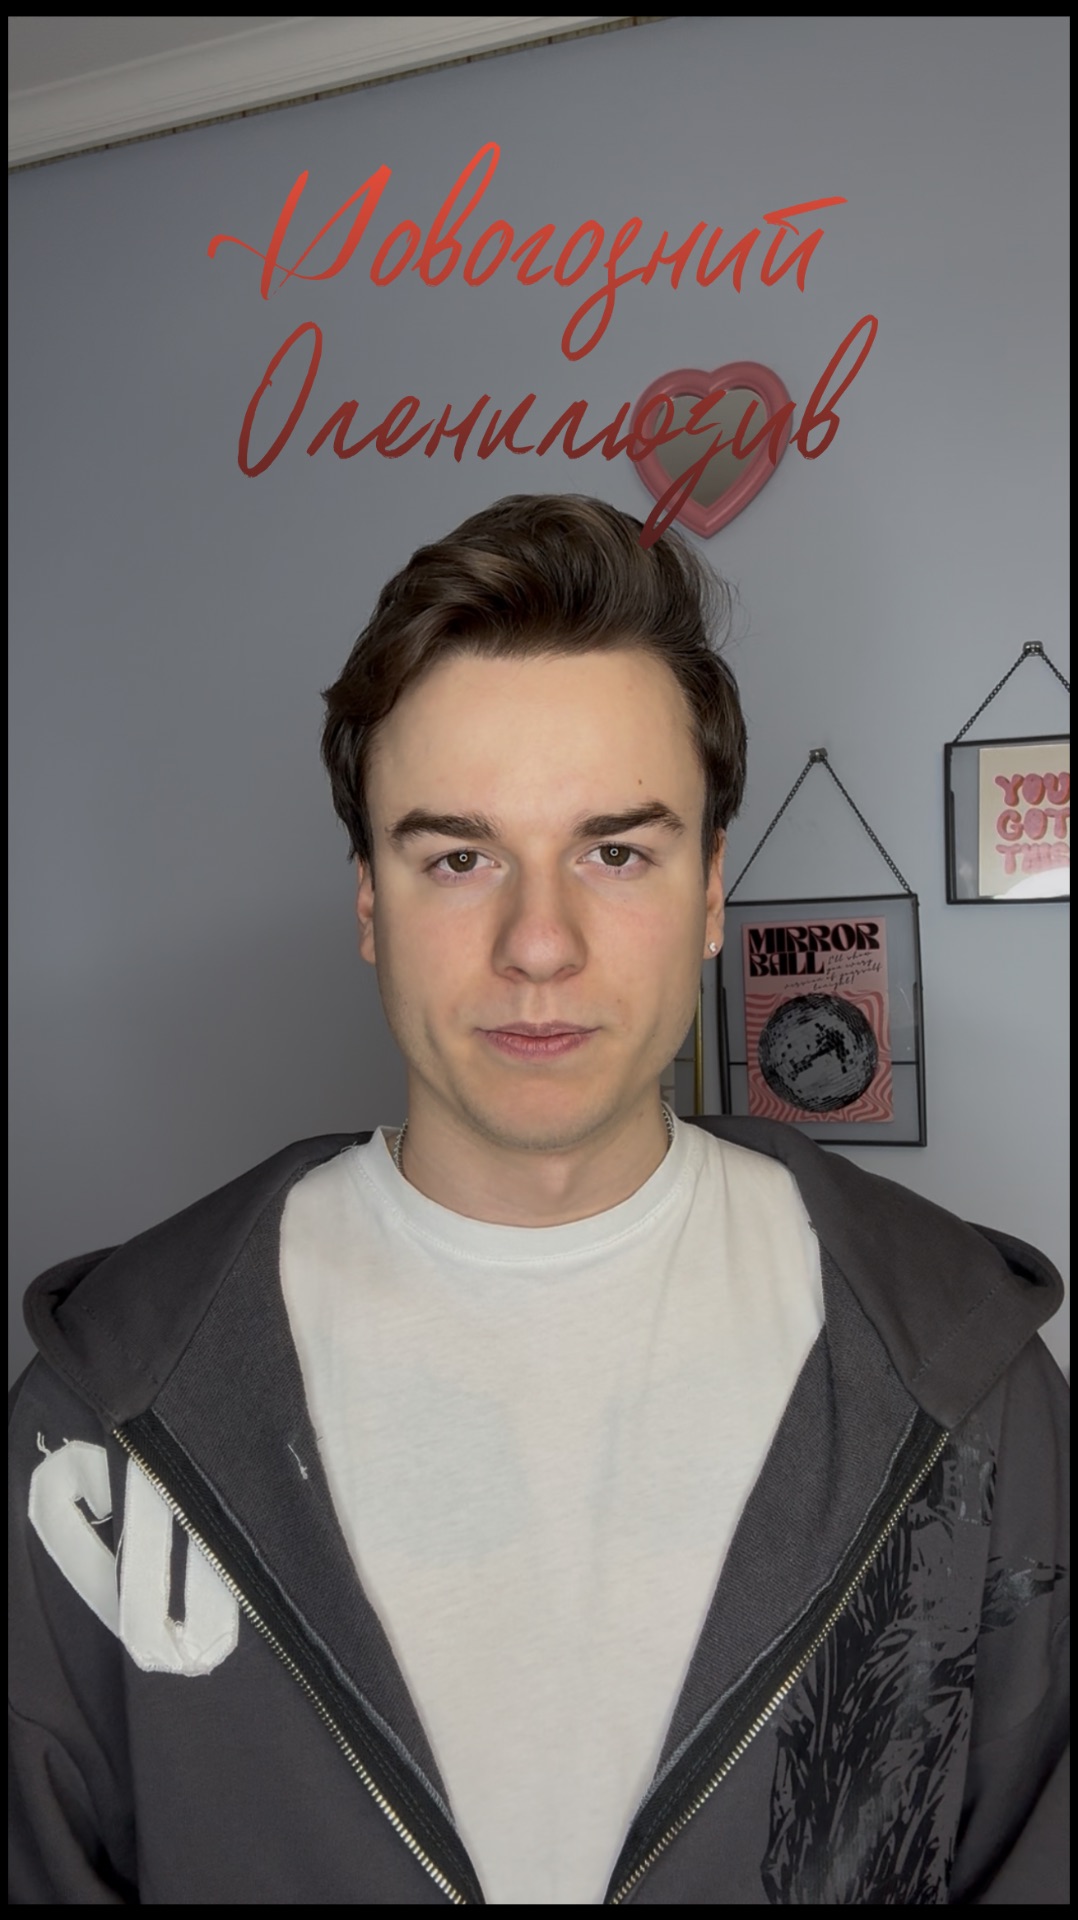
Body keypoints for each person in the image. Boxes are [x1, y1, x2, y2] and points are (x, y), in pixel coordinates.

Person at [8, 494, 1068, 1907]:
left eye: (615, 851)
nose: (539, 943)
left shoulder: (963, 1380)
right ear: (369, 902)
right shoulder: (108, 1412)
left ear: (710, 893)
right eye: (459, 857)